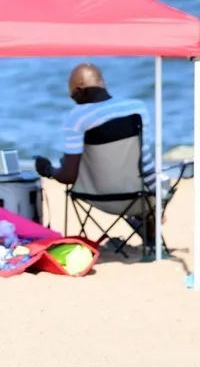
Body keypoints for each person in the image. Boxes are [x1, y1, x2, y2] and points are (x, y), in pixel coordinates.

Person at [34, 63, 161, 241]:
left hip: (99, 196)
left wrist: (47, 169)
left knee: (68, 161)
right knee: (162, 178)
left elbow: (68, 176)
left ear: (80, 91)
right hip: (147, 195)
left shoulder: (78, 117)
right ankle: (146, 220)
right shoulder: (137, 108)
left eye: (72, 96)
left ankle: (142, 221)